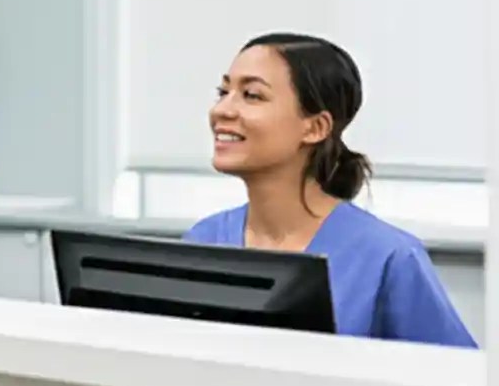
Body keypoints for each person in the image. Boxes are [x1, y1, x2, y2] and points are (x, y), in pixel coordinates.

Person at [185, 32, 475, 348]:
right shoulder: (203, 240)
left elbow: (460, 382)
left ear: (316, 127)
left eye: (252, 95)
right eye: (223, 91)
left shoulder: (389, 258)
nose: (222, 110)